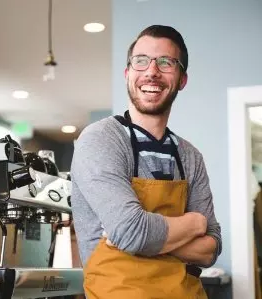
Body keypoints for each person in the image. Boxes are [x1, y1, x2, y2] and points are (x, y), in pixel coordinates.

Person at [70, 25, 222, 299]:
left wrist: (141, 235)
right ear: (128, 73)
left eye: (166, 62)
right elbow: (132, 232)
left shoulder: (190, 156)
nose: (152, 71)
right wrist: (194, 224)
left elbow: (210, 250)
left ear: (182, 79)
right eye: (141, 61)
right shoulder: (100, 139)